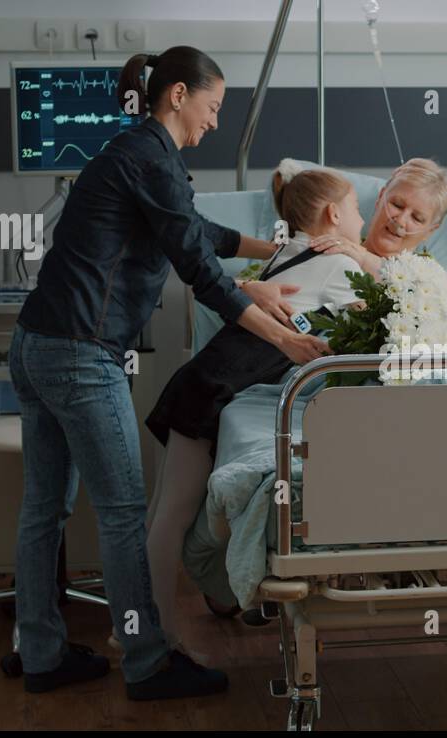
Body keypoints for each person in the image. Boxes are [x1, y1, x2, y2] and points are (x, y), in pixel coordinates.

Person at [8, 46, 329, 701]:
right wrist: (284, 340)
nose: (214, 122)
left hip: (35, 345)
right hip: (79, 356)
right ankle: (148, 661)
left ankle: (39, 651)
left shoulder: (133, 153)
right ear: (178, 94)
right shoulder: (152, 158)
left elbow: (198, 231)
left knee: (44, 508)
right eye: (213, 107)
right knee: (124, 513)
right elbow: (199, 268)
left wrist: (277, 251)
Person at [178, 158, 447, 613]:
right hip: (303, 387)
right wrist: (247, 289)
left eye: (417, 217)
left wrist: (365, 260)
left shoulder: (427, 283)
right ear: (380, 197)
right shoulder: (314, 252)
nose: (399, 220)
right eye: (396, 204)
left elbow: (439, 336)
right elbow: (249, 288)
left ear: (433, 229)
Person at [141, 160, 367, 648]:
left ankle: (142, 628)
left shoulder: (285, 255)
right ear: (332, 215)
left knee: (162, 510)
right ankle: (151, 638)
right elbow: (383, 317)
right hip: (209, 390)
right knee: (170, 517)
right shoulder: (340, 265)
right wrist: (367, 258)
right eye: (356, 211)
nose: (362, 222)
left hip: (201, 383)